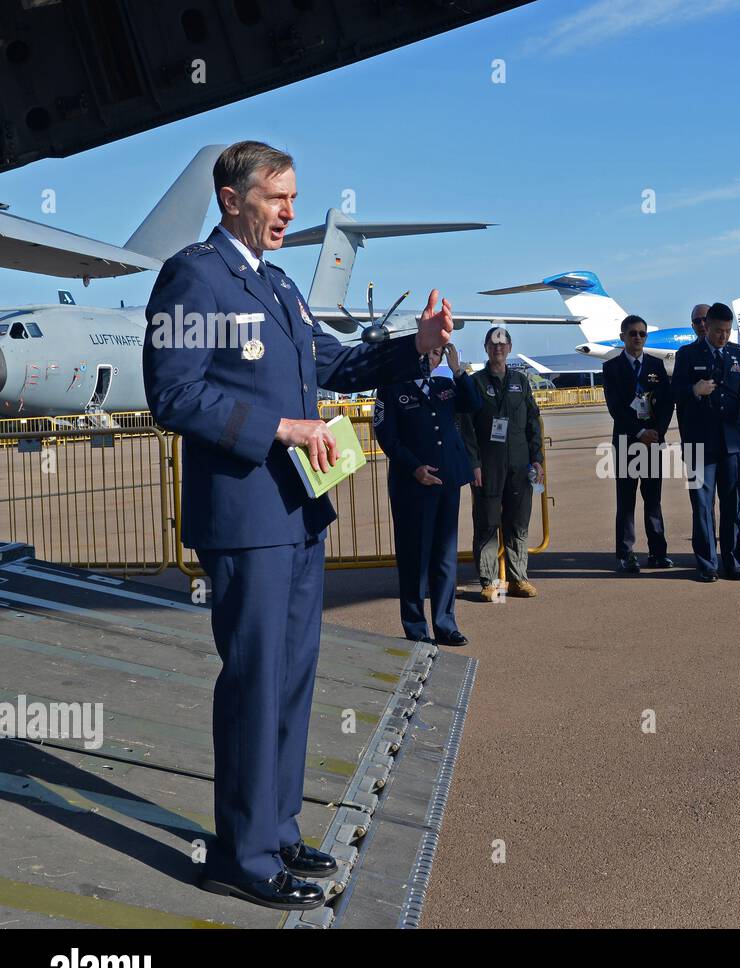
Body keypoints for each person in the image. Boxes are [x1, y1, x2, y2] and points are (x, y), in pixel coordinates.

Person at [142, 140, 455, 910]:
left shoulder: (279, 284)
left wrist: (417, 347)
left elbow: (335, 365)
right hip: (246, 516)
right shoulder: (193, 277)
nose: (289, 212)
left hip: (299, 512)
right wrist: (280, 428)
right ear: (231, 199)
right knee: (254, 680)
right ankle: (240, 856)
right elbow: (173, 394)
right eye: (275, 198)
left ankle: (277, 832)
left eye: (292, 198)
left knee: (290, 680)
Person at [374, 342, 481, 645]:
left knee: (445, 557)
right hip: (413, 486)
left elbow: (473, 404)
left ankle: (446, 625)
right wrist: (414, 468)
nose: (429, 359)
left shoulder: (445, 386)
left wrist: (458, 370)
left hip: (446, 481)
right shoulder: (392, 389)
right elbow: (387, 437)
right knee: (414, 558)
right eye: (425, 353)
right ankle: (416, 627)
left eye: (435, 354)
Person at [671, 302, 740, 581]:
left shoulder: (737, 354)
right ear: (707, 327)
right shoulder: (687, 354)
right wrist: (694, 389)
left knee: (733, 504)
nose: (722, 336)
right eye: (717, 331)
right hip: (699, 443)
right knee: (702, 506)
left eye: (727, 331)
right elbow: (674, 392)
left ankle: (733, 560)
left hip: (733, 442)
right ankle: (707, 563)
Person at [460, 327, 543, 600]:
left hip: (519, 464)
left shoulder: (521, 381)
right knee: (487, 523)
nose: (498, 348)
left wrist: (537, 459)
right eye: (493, 343)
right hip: (488, 464)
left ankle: (519, 579)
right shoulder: (475, 383)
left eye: (503, 343)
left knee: (518, 522)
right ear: (486, 347)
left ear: (509, 348)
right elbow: (467, 428)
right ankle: (491, 583)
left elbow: (533, 423)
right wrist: (473, 463)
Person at [602, 314, 674, 572]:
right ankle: (625, 554)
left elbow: (666, 403)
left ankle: (658, 552)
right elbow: (615, 408)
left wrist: (657, 432)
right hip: (627, 441)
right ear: (623, 336)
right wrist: (639, 431)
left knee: (653, 500)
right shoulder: (612, 368)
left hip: (652, 442)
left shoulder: (656, 365)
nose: (637, 338)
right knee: (626, 500)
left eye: (642, 334)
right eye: (632, 333)